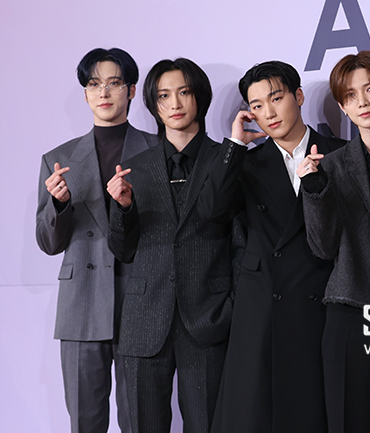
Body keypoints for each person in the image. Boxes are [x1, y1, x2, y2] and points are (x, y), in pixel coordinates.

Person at [197, 61, 345, 433]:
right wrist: (235, 144)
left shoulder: (339, 154)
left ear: (299, 96)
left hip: (323, 301)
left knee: (315, 412)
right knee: (256, 415)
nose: (269, 112)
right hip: (264, 306)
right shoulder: (246, 163)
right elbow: (210, 213)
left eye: (276, 98)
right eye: (257, 105)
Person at [106, 58, 235, 433]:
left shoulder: (227, 159)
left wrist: (231, 304)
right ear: (152, 103)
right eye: (163, 96)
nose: (175, 104)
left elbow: (243, 242)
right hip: (145, 320)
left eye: (184, 92)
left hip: (209, 319)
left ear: (200, 97)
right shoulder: (133, 167)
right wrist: (123, 209)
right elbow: (123, 250)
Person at [36, 48, 155, 433]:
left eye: (114, 83)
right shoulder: (58, 158)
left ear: (131, 90)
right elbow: (48, 242)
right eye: (93, 84)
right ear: (85, 93)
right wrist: (59, 204)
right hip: (82, 306)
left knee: (141, 421)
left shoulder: (158, 150)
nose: (103, 92)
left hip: (141, 300)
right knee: (85, 423)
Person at [297, 51, 370, 433]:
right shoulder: (330, 165)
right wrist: (315, 191)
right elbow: (322, 248)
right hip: (350, 307)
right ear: (342, 107)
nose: (362, 102)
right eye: (350, 95)